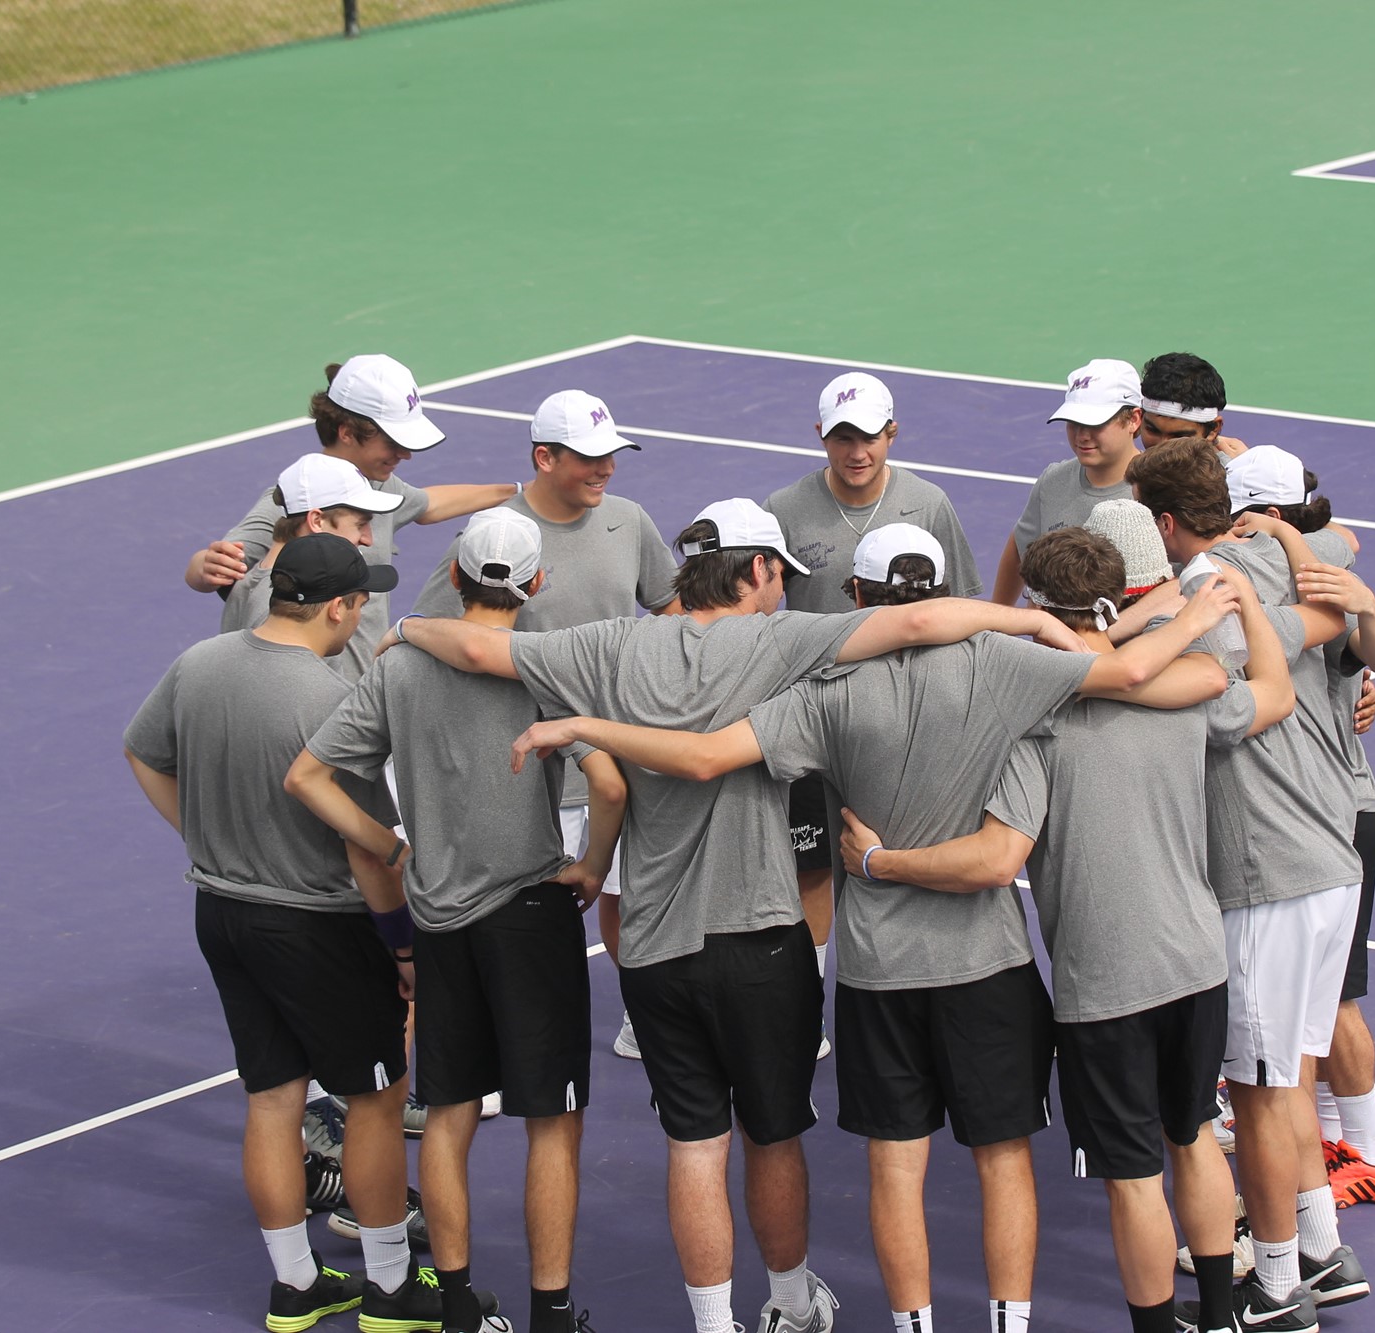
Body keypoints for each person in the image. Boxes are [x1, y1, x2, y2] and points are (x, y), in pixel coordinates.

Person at [384, 498, 1102, 1333]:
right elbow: (916, 624)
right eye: (778, 576)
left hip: (654, 944)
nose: (783, 590)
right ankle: (791, 1303)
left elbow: (477, 647)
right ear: (757, 569)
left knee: (695, 1144)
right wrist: (1033, 622)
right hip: (763, 937)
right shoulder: (779, 642)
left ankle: (714, 1324)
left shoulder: (608, 645)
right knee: (773, 1134)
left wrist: (404, 627)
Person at [504, 523, 1238, 1333]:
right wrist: (1188, 614)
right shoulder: (1007, 668)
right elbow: (1127, 672)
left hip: (878, 973)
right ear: (948, 592)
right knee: (1003, 1159)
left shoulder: (823, 691)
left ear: (855, 594)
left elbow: (704, 755)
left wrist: (586, 726)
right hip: (988, 964)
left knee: (895, 1166)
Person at [837, 525, 1294, 1333]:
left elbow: (997, 857)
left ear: (1039, 608)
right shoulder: (1190, 685)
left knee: (1134, 1176)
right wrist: (1242, 608)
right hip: (1197, 960)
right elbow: (1275, 693)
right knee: (1193, 1135)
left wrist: (879, 862)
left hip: (1103, 983)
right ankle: (1222, 1319)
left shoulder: (1032, 721)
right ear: (1119, 595)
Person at [123, 535, 497, 1333]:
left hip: (222, 911)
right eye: (360, 602)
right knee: (375, 1098)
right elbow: (369, 849)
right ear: (337, 608)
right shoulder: (334, 698)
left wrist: (202, 835)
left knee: (272, 1096)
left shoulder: (199, 663)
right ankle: (391, 1287)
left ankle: (295, 1284)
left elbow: (143, 752)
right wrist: (404, 946)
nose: (360, 616)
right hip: (318, 926)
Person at [289, 510, 622, 1333]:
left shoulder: (397, 668)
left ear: (458, 574)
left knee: (448, 1114)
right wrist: (592, 864)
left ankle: (461, 1311)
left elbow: (309, 776)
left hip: (439, 918)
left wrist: (389, 845)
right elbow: (611, 783)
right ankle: (552, 1314)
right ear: (535, 582)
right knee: (553, 1121)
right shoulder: (547, 664)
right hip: (532, 915)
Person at [1125, 440, 1375, 1331]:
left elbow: (1148, 665)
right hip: (1328, 863)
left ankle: (1277, 1287)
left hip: (1266, 875)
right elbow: (1339, 546)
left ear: (1169, 522)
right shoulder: (1304, 566)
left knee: (1259, 1092)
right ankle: (1321, 1248)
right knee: (1289, 1079)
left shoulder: (1211, 604)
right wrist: (1290, 543)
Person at [407, 389, 677, 1065]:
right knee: (517, 928)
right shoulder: (492, 537)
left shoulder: (629, 520)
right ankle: (492, 1058)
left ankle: (641, 1016)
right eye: (588, 457)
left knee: (633, 896)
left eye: (611, 455)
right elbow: (444, 632)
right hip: (531, 775)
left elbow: (671, 613)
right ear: (544, 457)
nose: (605, 469)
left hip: (619, 758)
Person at [763, 373, 987, 1053]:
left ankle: (919, 995)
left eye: (868, 437)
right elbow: (764, 610)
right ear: (820, 436)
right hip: (819, 720)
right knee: (811, 867)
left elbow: (962, 604)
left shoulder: (929, 503)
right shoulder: (784, 509)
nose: (855, 451)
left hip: (913, 718)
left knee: (902, 853)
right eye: (841, 437)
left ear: (892, 434)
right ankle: (810, 1010)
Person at [1225, 449, 1375, 1208]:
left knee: (1330, 1006)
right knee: (1312, 1016)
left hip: (1328, 818)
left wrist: (1361, 602)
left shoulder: (1315, 585)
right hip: (1319, 816)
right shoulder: (1313, 568)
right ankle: (1333, 1142)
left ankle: (1369, 1154)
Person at [184, 355, 520, 669]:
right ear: (347, 432)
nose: (405, 454)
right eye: (393, 442)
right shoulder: (292, 504)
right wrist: (204, 566)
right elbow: (218, 567)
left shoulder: (380, 487)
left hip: (357, 691)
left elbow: (426, 504)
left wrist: (519, 491)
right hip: (311, 690)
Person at [219, 454, 407, 679]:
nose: (368, 539)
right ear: (317, 521)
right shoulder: (289, 607)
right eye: (360, 524)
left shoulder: (263, 588)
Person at [989, 359, 1146, 606]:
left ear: (1133, 420)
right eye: (1074, 423)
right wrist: (998, 618)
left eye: (1095, 423)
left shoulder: (1157, 491)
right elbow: (1019, 549)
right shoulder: (1053, 480)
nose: (1082, 436)